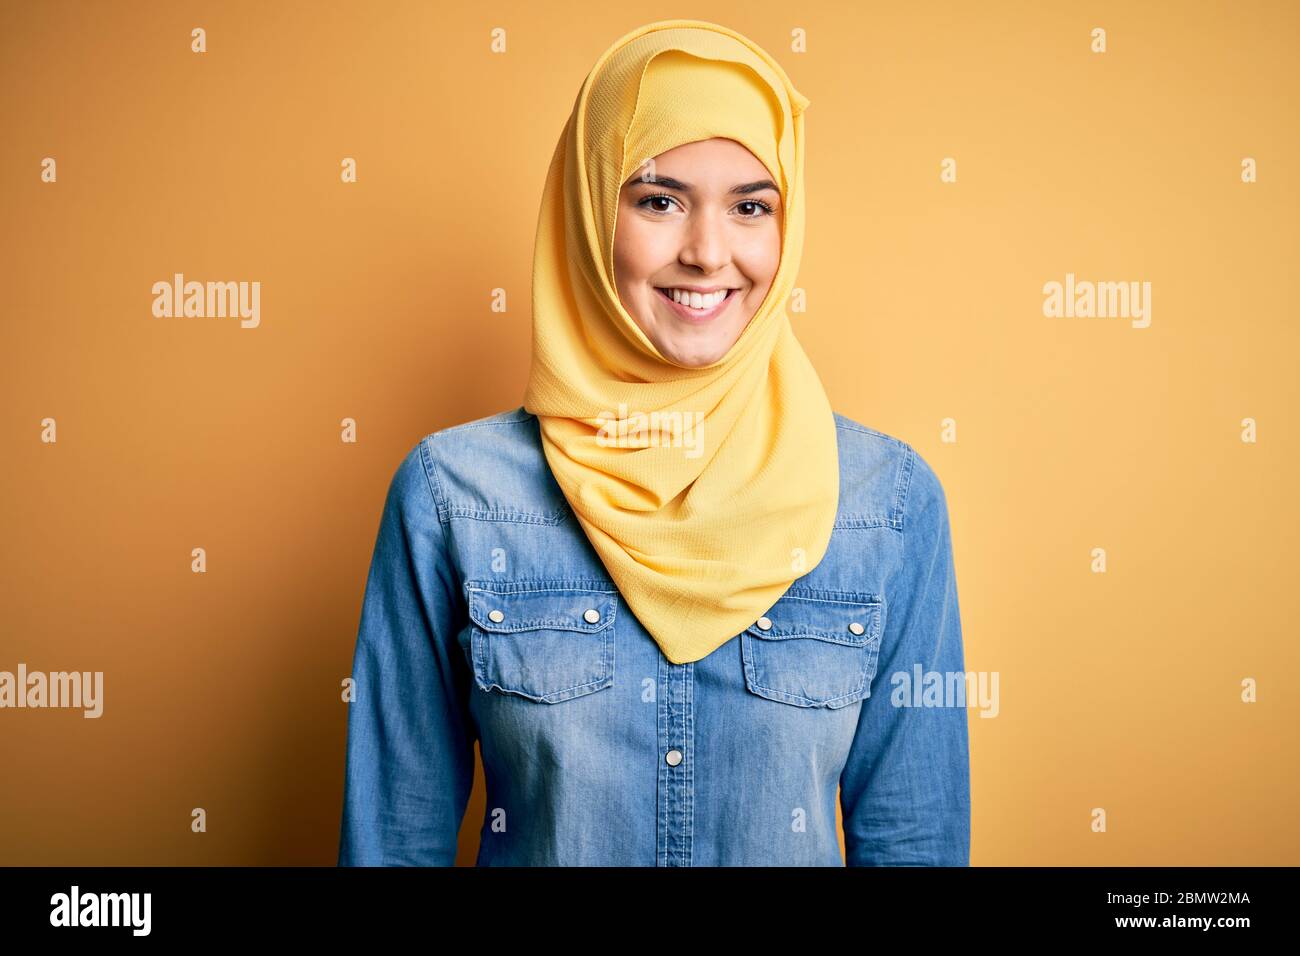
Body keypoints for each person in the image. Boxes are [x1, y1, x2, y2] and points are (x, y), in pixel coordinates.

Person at [337, 18, 970, 866]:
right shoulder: (454, 495)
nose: (708, 253)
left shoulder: (888, 504)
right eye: (659, 199)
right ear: (593, 211)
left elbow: (914, 842)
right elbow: (394, 842)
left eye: (751, 206)